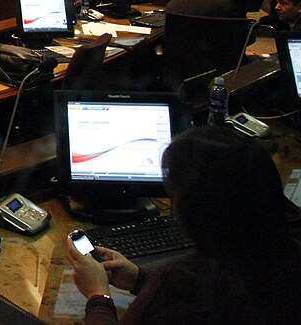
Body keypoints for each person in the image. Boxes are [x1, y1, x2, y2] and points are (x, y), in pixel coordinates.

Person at [68, 126, 301, 325]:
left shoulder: (183, 282)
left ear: (193, 209)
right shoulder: (285, 250)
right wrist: (140, 279)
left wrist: (98, 295)